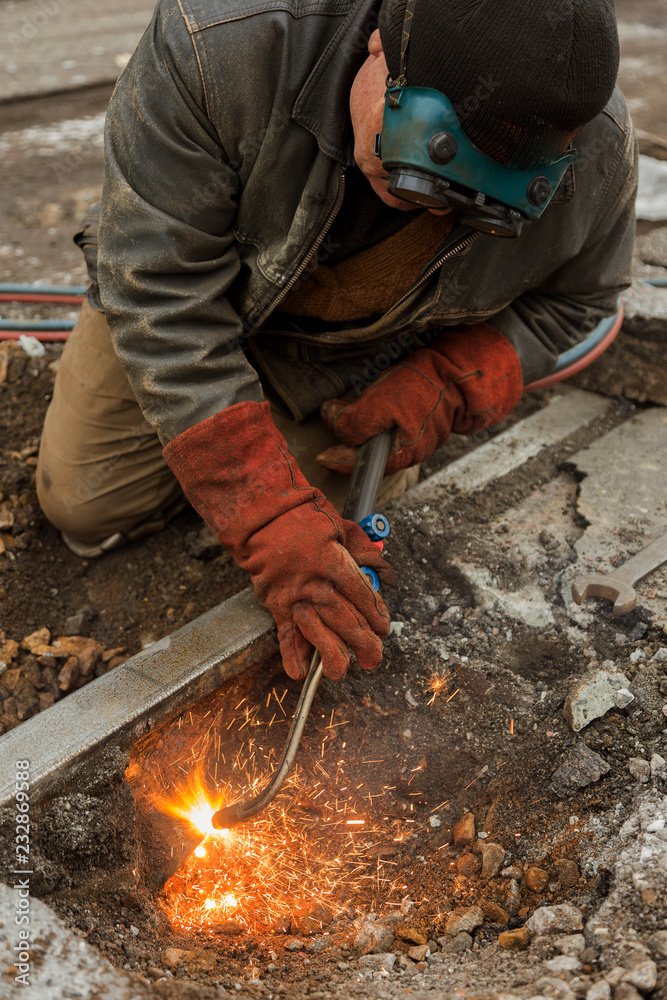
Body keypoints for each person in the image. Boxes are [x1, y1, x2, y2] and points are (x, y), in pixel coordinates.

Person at [36, 0, 637, 683]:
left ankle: (249, 439)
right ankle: (220, 438)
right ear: (379, 47)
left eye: (463, 199)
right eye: (410, 170)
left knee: (343, 535)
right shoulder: (220, 44)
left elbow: (580, 300)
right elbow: (157, 288)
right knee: (84, 504)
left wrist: (452, 378)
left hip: (358, 350)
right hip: (186, 297)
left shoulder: (594, 149)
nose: (427, 207)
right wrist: (265, 516)